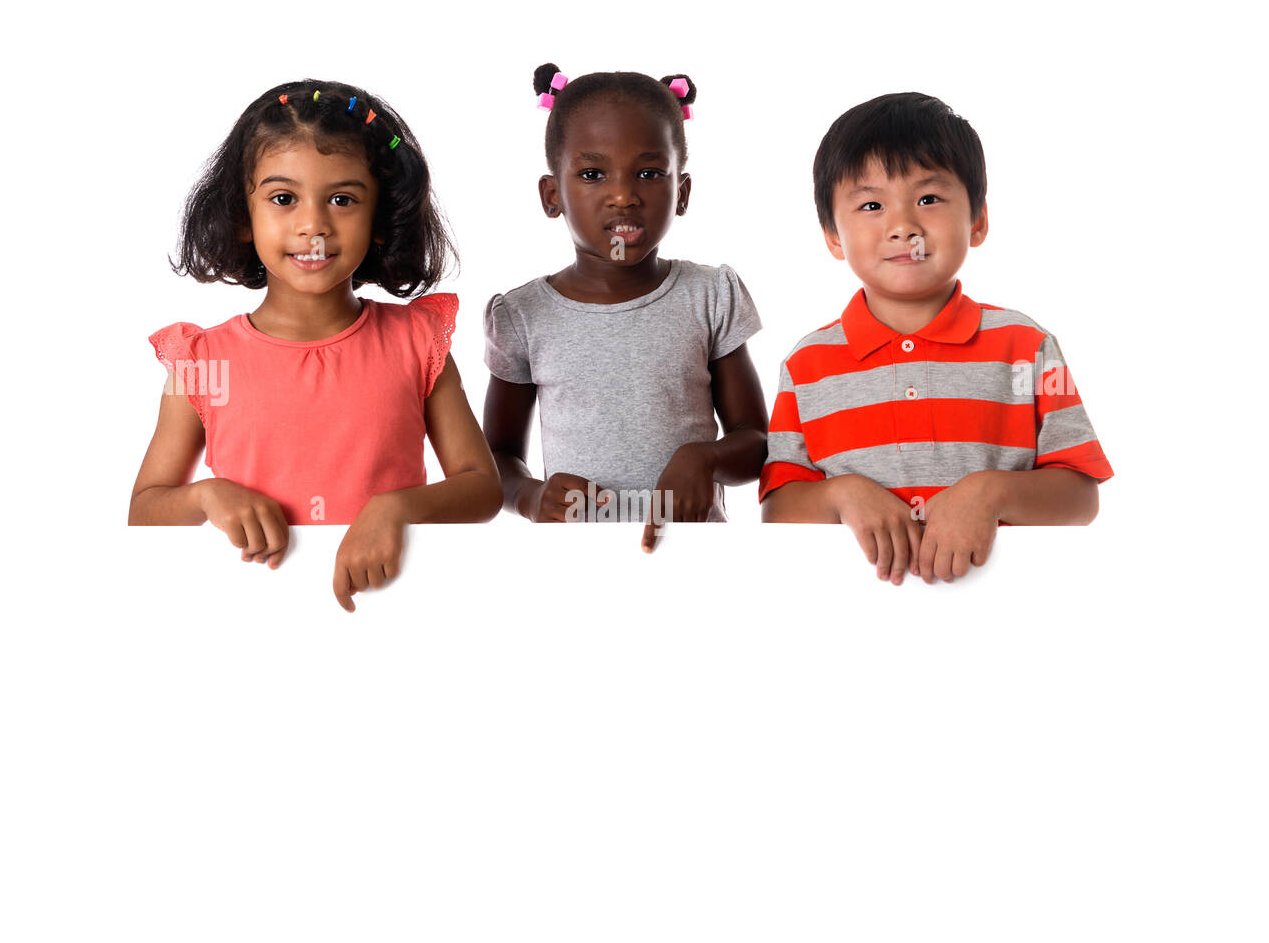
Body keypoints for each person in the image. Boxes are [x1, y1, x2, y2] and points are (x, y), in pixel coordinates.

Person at [129, 81, 501, 611]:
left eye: (342, 199)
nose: (314, 226)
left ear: (380, 218)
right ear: (242, 216)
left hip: (397, 602)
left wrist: (396, 508)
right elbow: (145, 508)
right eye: (283, 199)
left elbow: (482, 488)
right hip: (243, 606)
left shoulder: (419, 341)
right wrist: (206, 495)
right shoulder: (200, 360)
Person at [760, 92, 1113, 585]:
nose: (903, 226)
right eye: (871, 204)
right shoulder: (808, 364)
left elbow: (1081, 498)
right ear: (833, 236)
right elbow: (778, 509)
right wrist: (842, 493)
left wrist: (990, 493)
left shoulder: (1026, 346)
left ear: (978, 221)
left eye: (928, 199)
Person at [482, 64, 768, 552]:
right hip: (576, 563)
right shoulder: (524, 316)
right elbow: (496, 458)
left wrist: (707, 458)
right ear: (553, 196)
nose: (623, 195)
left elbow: (757, 440)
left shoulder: (708, 296)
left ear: (682, 192)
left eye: (650, 173)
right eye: (593, 174)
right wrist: (531, 497)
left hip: (698, 560)